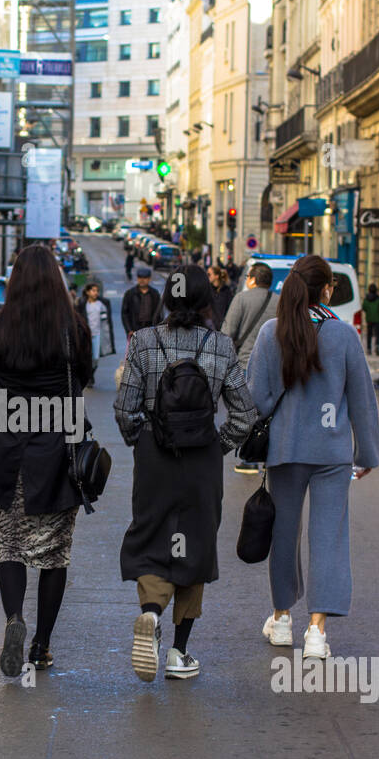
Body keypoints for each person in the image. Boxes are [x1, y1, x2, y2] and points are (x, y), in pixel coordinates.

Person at [114, 265, 256, 682]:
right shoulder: (221, 346)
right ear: (203, 300)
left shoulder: (143, 342)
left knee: (152, 533)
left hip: (155, 459)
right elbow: (244, 415)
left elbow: (125, 411)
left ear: (168, 298)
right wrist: (217, 444)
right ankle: (178, 652)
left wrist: (142, 440)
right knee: (194, 544)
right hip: (201, 463)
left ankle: (151, 614)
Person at [247, 255, 379, 661]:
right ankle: (317, 632)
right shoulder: (343, 337)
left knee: (283, 535)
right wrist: (368, 452)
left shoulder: (272, 333)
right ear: (326, 290)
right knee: (329, 538)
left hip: (285, 450)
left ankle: (282, 617)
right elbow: (362, 400)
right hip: (331, 452)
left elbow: (257, 399)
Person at [0, 244, 91, 676]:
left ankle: (14, 618)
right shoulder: (73, 328)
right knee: (55, 554)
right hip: (59, 450)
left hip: (9, 449)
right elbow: (85, 378)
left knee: (11, 546)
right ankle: (41, 646)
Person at [220, 261, 275, 473]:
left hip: (247, 364)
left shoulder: (241, 299)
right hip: (275, 366)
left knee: (246, 411)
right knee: (271, 412)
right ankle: (271, 457)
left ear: (252, 279)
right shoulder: (280, 301)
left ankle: (250, 458)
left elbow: (228, 332)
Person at [121, 267, 162, 337]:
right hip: (135, 329)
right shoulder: (130, 293)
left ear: (149, 279)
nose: (142, 280)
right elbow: (125, 313)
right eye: (140, 277)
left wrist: (158, 328)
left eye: (145, 278)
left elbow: (159, 312)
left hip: (151, 329)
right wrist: (129, 330)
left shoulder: (154, 294)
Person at [79, 282, 105, 385]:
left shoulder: (101, 305)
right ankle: (89, 378)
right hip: (85, 335)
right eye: (93, 290)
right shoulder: (83, 305)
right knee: (86, 357)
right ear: (87, 292)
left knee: (95, 358)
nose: (95, 293)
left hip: (97, 334)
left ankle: (91, 374)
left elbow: (105, 322)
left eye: (97, 291)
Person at [361, 282, 379, 356]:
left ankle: (369, 349)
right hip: (377, 319)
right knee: (377, 334)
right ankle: (377, 346)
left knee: (369, 334)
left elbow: (364, 307)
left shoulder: (366, 299)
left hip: (369, 319)